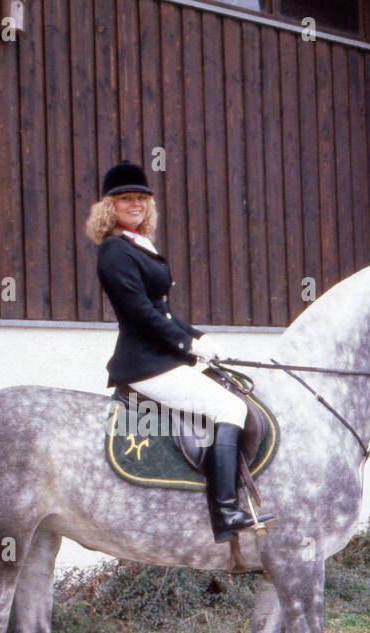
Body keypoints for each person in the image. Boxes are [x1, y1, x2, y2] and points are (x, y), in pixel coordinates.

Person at [85, 161, 274, 543]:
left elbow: (162, 310)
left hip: (163, 354)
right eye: (126, 199)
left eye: (141, 198)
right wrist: (186, 345)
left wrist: (200, 338)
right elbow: (140, 314)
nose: (135, 204)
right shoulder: (114, 252)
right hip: (144, 363)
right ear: (111, 206)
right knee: (229, 408)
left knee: (233, 395)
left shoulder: (137, 244)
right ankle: (224, 512)